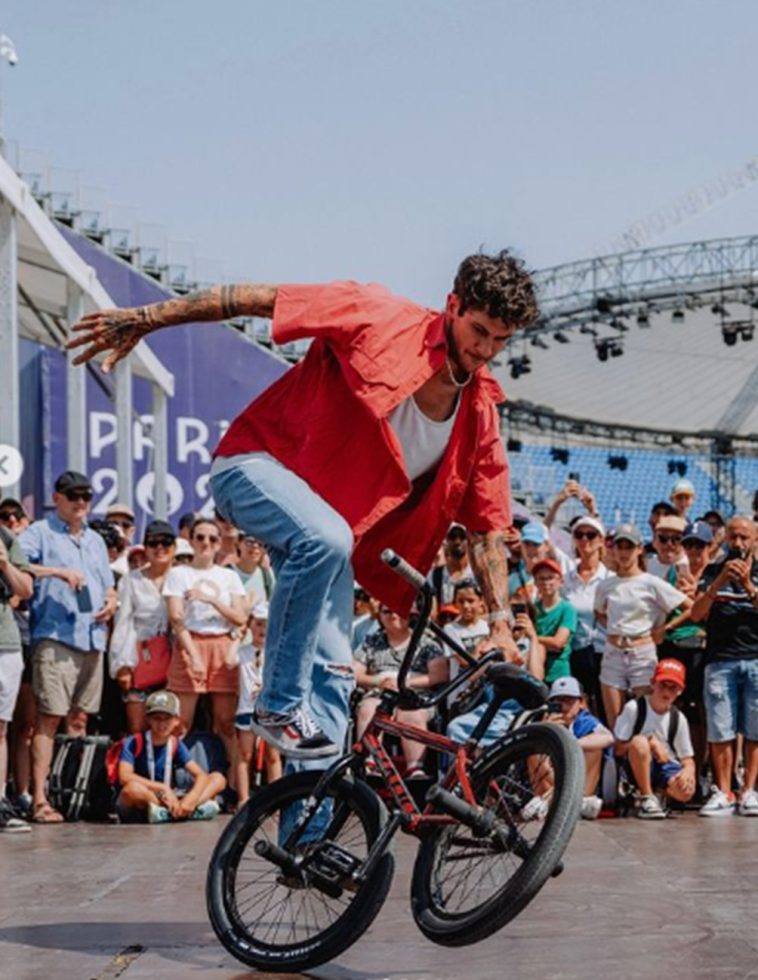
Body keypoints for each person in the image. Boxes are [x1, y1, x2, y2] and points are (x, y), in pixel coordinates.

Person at [68, 251, 537, 761]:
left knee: (334, 683)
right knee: (326, 538)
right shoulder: (378, 314)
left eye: (500, 340)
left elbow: (488, 529)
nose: (485, 349)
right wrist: (145, 318)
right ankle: (277, 702)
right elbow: (254, 300)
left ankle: (307, 834)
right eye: (479, 330)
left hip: (329, 539)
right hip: (253, 467)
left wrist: (498, 623)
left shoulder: (480, 415)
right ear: (452, 305)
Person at [19, 470, 117, 824]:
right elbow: (17, 565)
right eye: (73, 496)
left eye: (85, 497)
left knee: (80, 719)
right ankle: (40, 799)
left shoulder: (95, 540)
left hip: (92, 636)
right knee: (48, 718)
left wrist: (111, 600)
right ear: (56, 497)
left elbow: (108, 584)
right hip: (56, 636)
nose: (80, 503)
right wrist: (57, 572)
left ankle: (76, 795)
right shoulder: (39, 532)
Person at [163, 518, 248, 769]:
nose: (206, 543)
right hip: (190, 642)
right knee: (180, 723)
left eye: (212, 538)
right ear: (191, 540)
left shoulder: (229, 576)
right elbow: (176, 618)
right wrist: (194, 654)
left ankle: (234, 784)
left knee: (225, 722)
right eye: (200, 537)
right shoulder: (179, 574)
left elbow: (241, 617)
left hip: (223, 644)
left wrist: (210, 600)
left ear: (220, 543)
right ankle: (166, 780)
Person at [691, 515, 758, 817]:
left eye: (745, 537)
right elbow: (696, 614)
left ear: (755, 539)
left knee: (755, 730)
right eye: (734, 537)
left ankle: (749, 792)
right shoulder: (713, 571)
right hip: (719, 661)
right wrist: (719, 582)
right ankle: (724, 791)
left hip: (755, 659)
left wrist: (747, 585)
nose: (739, 543)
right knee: (721, 730)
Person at [593, 524, 691, 731]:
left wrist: (664, 628)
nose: (623, 552)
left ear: (639, 549)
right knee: (615, 723)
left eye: (628, 547)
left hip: (642, 652)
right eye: (619, 546)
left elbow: (689, 607)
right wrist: (613, 629)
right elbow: (599, 612)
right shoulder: (606, 585)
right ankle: (618, 762)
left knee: (645, 719)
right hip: (613, 652)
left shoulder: (651, 583)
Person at [352, 606, 443, 779]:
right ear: (379, 616)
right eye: (387, 611)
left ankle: (415, 769)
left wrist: (404, 683)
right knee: (368, 709)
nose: (393, 615)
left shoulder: (425, 642)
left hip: (415, 694)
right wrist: (378, 681)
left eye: (398, 611)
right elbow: (355, 673)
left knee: (411, 715)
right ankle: (370, 762)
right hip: (380, 692)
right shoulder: (371, 642)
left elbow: (439, 674)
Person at [116, 689, 226, 823]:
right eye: (157, 718)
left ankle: (185, 809)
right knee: (131, 789)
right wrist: (161, 787)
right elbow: (124, 776)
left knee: (218, 779)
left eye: (167, 718)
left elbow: (200, 775)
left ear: (176, 721)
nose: (162, 724)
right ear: (148, 719)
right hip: (150, 796)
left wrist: (192, 798)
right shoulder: (133, 742)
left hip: (171, 796)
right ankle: (173, 810)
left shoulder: (175, 743)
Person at [109, 520, 177, 734]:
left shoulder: (183, 577)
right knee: (137, 727)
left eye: (165, 542)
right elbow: (123, 624)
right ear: (145, 547)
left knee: (173, 726)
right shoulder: (130, 580)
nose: (159, 548)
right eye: (153, 543)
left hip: (176, 660)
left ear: (174, 547)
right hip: (140, 657)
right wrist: (123, 665)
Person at [613, 659, 696, 819]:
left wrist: (688, 772)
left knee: (685, 791)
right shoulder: (634, 708)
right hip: (637, 763)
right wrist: (651, 742)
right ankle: (647, 796)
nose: (667, 692)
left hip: (665, 765)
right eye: (663, 685)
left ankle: (660, 793)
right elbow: (618, 748)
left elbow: (687, 758)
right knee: (639, 743)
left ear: (680, 691)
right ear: (653, 683)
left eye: (673, 687)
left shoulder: (678, 718)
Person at [0, 521, 34, 831]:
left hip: (5, 642)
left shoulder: (7, 539)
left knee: (0, 727)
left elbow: (25, 589)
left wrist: (4, 563)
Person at [543, 676, 613, 820]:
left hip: (581, 786)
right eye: (557, 701)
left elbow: (608, 738)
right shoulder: (546, 720)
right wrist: (547, 731)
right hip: (552, 783)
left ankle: (575, 802)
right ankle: (551, 803)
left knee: (593, 749)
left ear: (581, 702)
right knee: (536, 753)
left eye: (568, 700)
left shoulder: (585, 721)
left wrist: (572, 743)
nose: (563, 706)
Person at [561, 515, 609, 713]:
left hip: (603, 652)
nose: (585, 540)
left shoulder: (610, 579)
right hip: (575, 652)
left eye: (590, 535)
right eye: (579, 535)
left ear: (600, 540)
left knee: (606, 711)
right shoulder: (566, 579)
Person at [234, 602, 281, 806]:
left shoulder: (277, 650)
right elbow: (228, 661)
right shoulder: (242, 651)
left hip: (270, 708)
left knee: (273, 754)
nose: (263, 629)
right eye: (259, 624)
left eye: (267, 624)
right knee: (245, 754)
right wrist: (238, 634)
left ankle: (276, 799)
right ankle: (243, 798)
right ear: (251, 625)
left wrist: (267, 688)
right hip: (247, 708)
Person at [528, 558, 577, 684]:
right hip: (534, 671)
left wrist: (533, 637)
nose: (546, 582)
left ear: (560, 581)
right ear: (535, 582)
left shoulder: (567, 609)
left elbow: (558, 642)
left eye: (550, 578)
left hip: (558, 673)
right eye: (541, 578)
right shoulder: (533, 609)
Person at [428, 524, 474, 608]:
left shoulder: (477, 574)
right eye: (453, 537)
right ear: (446, 541)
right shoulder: (433, 576)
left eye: (462, 537)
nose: (457, 541)